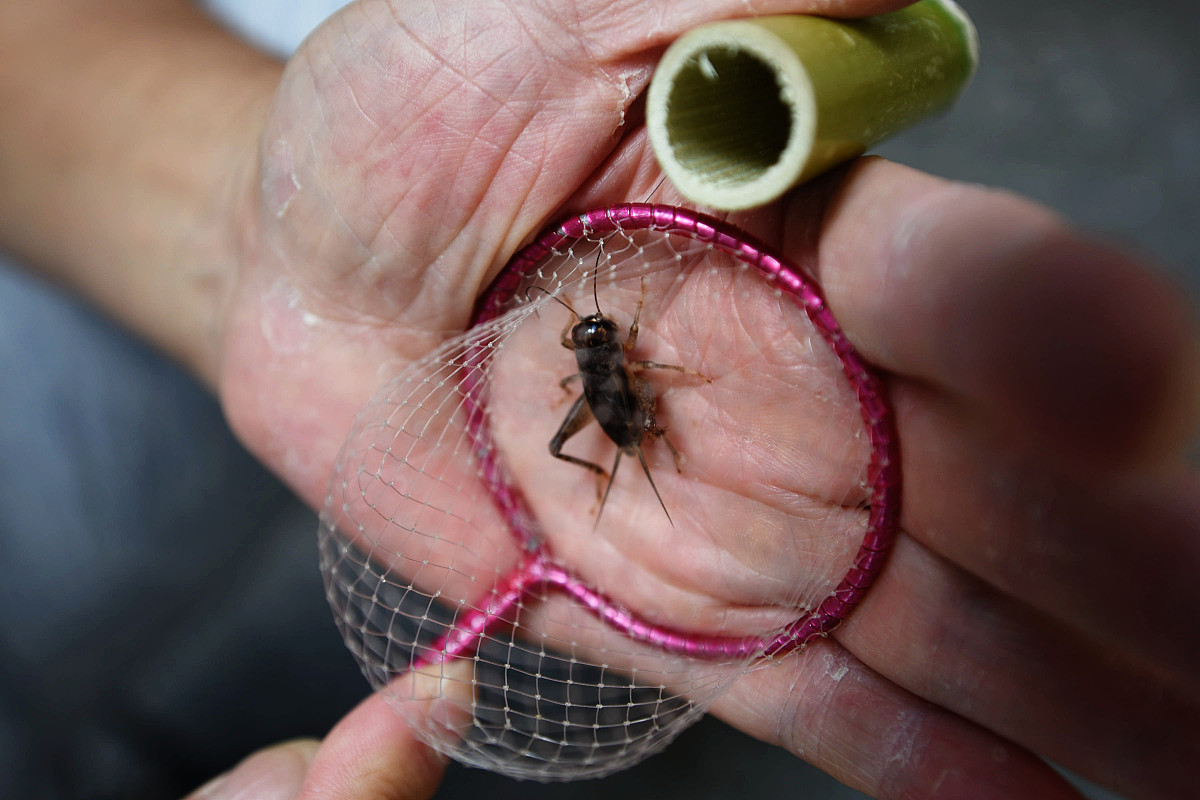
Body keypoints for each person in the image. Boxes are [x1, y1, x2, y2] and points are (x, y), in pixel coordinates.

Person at [1, 1, 1197, 799]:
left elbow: (621, 367)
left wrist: (239, 220)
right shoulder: (594, 364)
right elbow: (612, 372)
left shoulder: (601, 357)